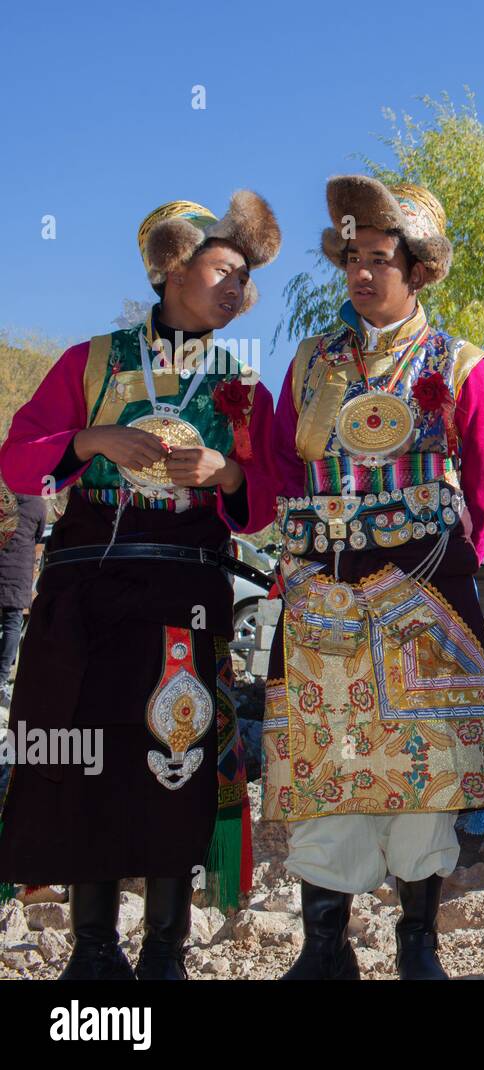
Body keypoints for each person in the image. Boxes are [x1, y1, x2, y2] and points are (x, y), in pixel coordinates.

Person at [0, 192, 282, 978]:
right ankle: (93, 952)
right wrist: (90, 437)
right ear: (170, 267)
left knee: (176, 754)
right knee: (83, 759)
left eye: (246, 280)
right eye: (224, 270)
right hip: (85, 593)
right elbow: (18, 456)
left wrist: (224, 470)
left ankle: (165, 952)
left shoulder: (239, 384)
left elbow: (264, 501)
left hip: (181, 598)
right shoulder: (91, 361)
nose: (238, 291)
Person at [266, 176, 484, 980]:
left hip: (427, 588)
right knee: (327, 757)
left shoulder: (460, 363)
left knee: (426, 767)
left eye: (379, 259)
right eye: (352, 259)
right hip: (325, 593)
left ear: (417, 269)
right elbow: (276, 469)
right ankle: (325, 946)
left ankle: (417, 943)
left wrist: (447, 569)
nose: (361, 274)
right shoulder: (310, 363)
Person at [0, 485, 45, 707]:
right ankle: (0, 681)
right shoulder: (36, 503)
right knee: (12, 625)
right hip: (18, 574)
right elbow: (39, 534)